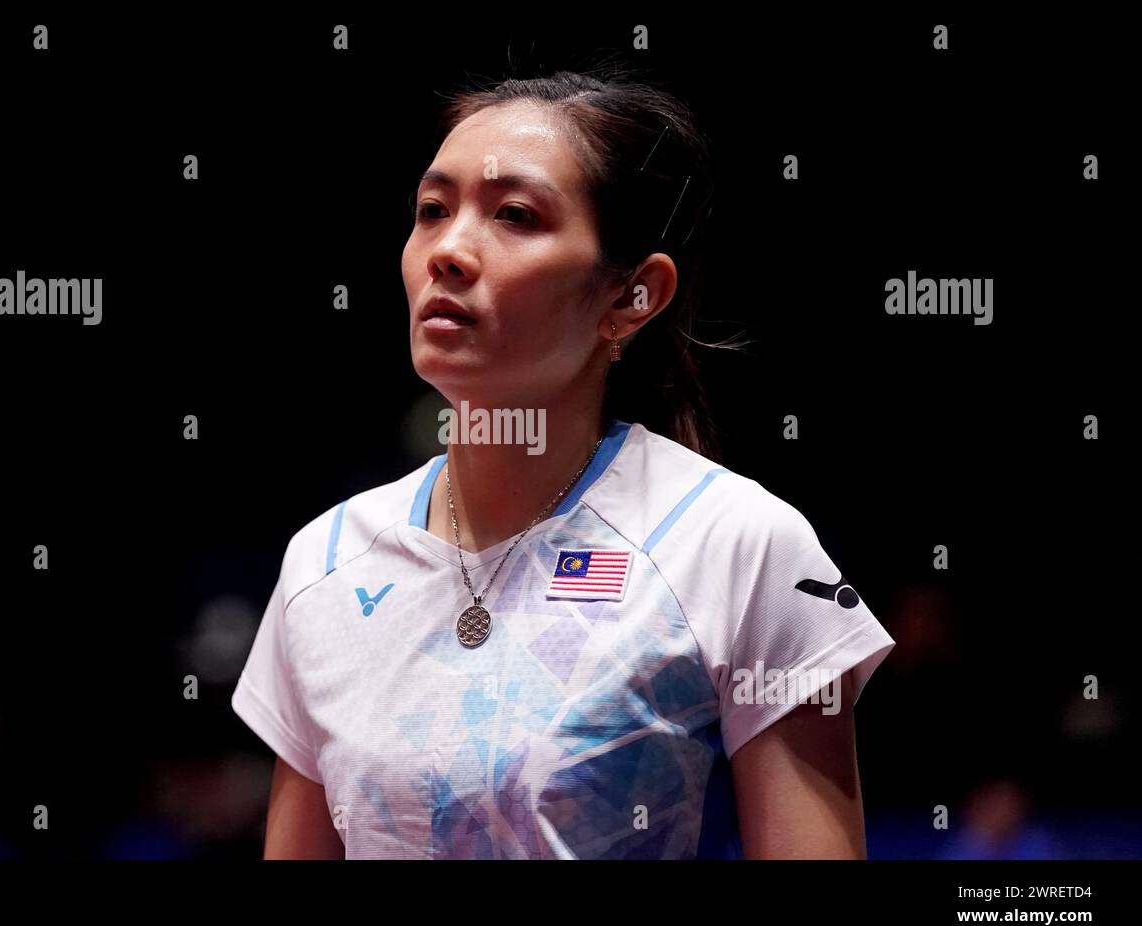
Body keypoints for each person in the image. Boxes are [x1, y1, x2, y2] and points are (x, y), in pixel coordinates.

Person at [232, 68, 895, 859]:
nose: (447, 250)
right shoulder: (326, 564)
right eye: (432, 211)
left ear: (631, 298)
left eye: (514, 215)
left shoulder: (737, 546)